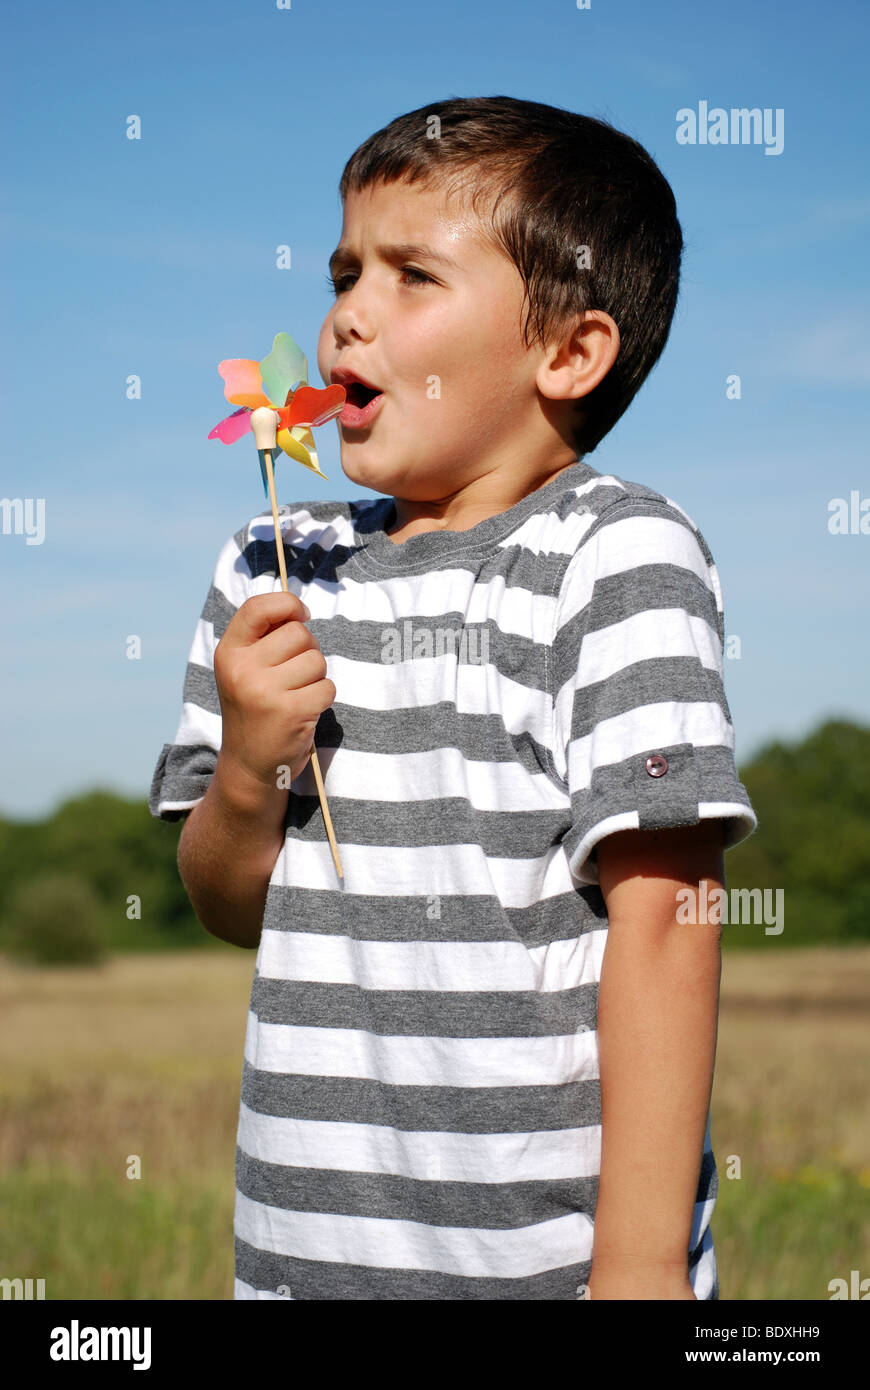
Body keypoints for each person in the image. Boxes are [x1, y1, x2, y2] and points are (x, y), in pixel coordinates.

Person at [149, 95, 757, 1301]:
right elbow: (226, 905)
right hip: (300, 1255)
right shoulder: (273, 566)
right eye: (344, 271)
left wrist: (635, 1271)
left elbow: (669, 910)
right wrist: (249, 767)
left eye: (411, 274)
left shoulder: (615, 553)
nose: (346, 314)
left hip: (540, 1262)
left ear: (568, 353)